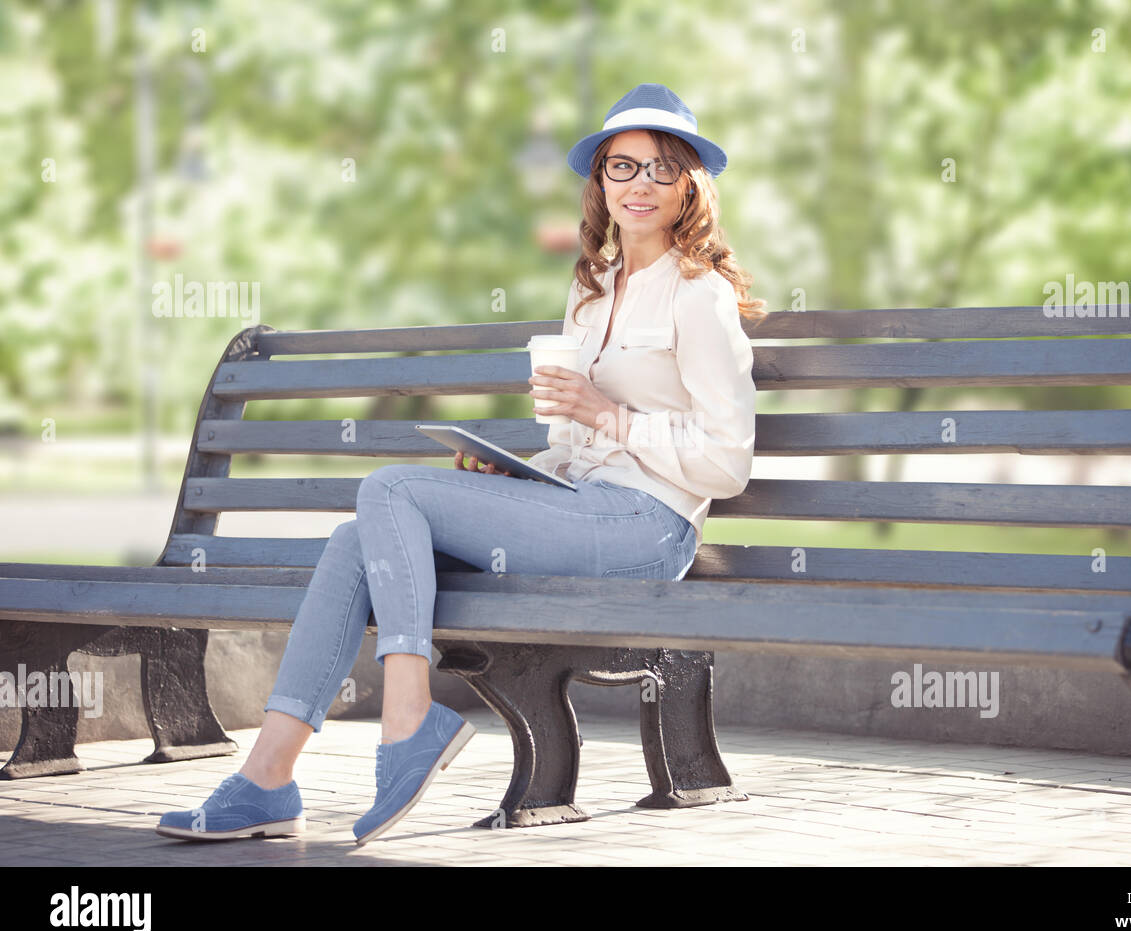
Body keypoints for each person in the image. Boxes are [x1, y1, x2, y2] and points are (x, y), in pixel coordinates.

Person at [154, 82, 767, 846]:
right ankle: (268, 779)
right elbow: (577, 449)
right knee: (355, 541)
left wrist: (608, 414)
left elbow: (726, 461)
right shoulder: (589, 294)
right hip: (582, 509)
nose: (640, 185)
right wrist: (521, 475)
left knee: (391, 487)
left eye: (662, 168)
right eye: (622, 166)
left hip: (648, 528)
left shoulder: (698, 296)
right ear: (599, 182)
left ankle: (409, 717)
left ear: (690, 186)